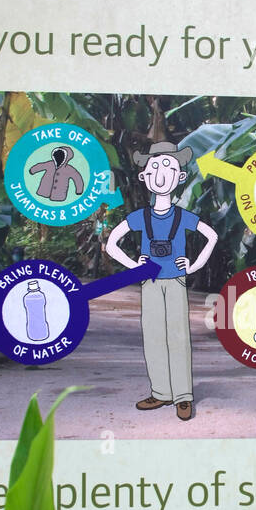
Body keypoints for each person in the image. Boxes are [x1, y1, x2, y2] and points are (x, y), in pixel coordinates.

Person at [104, 141, 217, 421]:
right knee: (153, 336)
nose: (161, 173)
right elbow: (111, 244)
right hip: (149, 282)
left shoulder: (184, 216)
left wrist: (193, 264)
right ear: (144, 178)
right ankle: (160, 392)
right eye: (154, 167)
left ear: (179, 177)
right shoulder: (140, 217)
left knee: (178, 336)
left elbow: (211, 236)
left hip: (176, 280)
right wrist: (134, 265)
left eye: (169, 167)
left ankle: (183, 396)